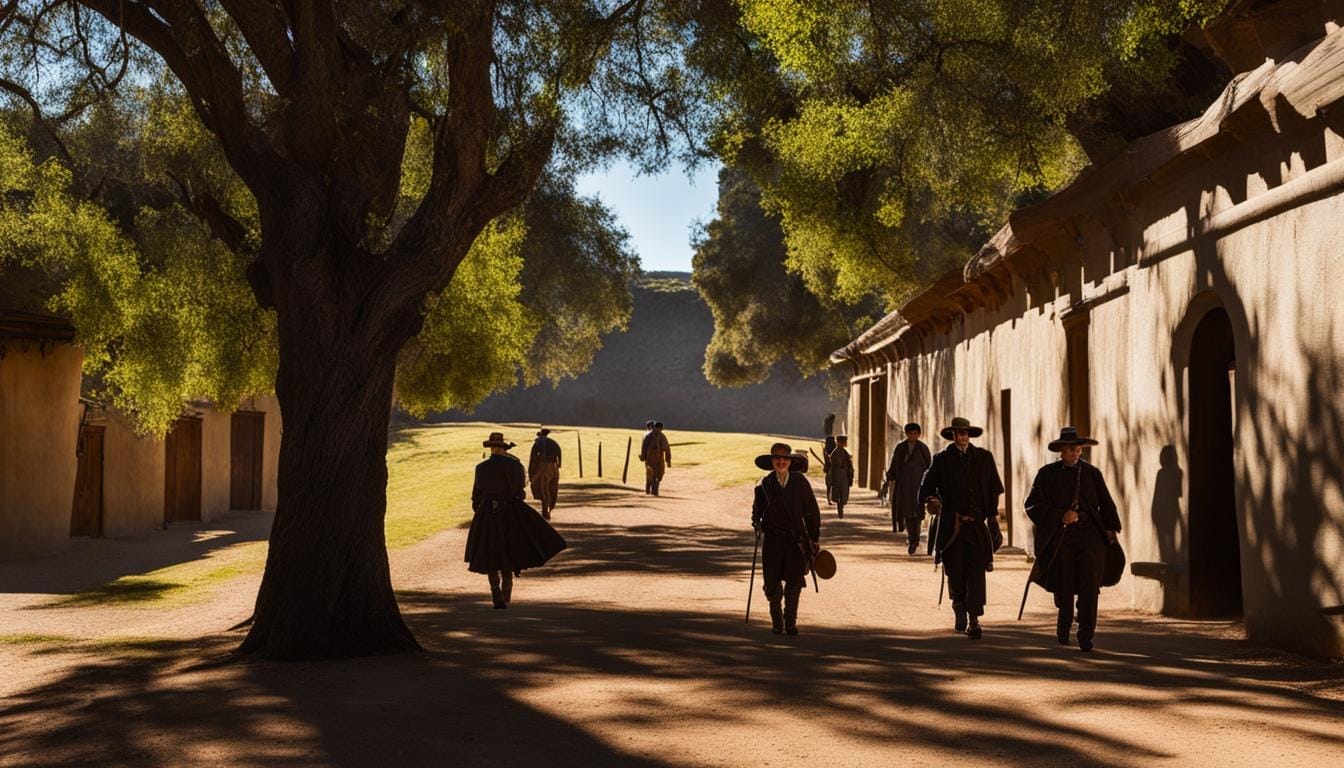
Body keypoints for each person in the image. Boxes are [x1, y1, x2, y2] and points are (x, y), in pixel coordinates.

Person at [1025, 427, 1122, 652]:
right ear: (1061, 450)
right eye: (1071, 450)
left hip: (1090, 537)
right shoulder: (1046, 474)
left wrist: (1111, 528)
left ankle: (1086, 636)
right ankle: (1064, 625)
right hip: (1062, 538)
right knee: (1065, 585)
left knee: (1090, 586)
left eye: (1078, 450)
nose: (1076, 454)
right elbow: (1032, 505)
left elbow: (1106, 503)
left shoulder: (1092, 473)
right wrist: (1060, 515)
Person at [919, 417, 1004, 639]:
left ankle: (974, 619)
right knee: (955, 570)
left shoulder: (984, 459)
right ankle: (958, 604)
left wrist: (993, 520)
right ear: (953, 435)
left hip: (976, 526)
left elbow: (994, 490)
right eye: (958, 433)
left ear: (969, 435)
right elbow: (926, 488)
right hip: (952, 526)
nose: (962, 437)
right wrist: (933, 500)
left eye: (965, 433)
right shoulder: (941, 460)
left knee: (976, 572)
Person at [465, 432, 567, 609]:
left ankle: (495, 591)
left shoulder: (481, 468)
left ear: (491, 447)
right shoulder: (514, 465)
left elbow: (476, 495)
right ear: (504, 447)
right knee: (508, 550)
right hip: (510, 511)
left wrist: (481, 511)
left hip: (488, 511)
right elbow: (520, 492)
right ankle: (506, 591)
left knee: (489, 551)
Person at [750, 442, 822, 635]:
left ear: (790, 461)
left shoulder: (800, 483)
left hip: (796, 540)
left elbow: (812, 512)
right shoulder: (764, 484)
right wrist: (757, 524)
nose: (781, 461)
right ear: (771, 461)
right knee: (772, 583)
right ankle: (776, 621)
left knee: (794, 582)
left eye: (785, 458)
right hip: (773, 540)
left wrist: (814, 538)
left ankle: (790, 622)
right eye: (777, 458)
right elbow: (757, 511)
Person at [885, 422, 932, 555]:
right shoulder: (900, 448)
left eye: (915, 433)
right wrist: (890, 476)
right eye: (910, 433)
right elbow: (895, 464)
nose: (913, 436)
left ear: (919, 434)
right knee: (907, 514)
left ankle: (915, 539)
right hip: (904, 486)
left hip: (918, 487)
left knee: (917, 514)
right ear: (906, 434)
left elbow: (929, 466)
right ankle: (912, 539)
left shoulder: (923, 448)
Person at [528, 427, 563, 520]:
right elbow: (559, 454)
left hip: (543, 466)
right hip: (554, 467)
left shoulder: (538, 443)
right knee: (552, 488)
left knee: (541, 487)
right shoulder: (553, 442)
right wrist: (559, 465)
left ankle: (545, 509)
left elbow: (533, 458)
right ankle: (549, 508)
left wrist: (531, 472)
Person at [640, 420, 671, 495]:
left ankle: (651, 488)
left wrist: (668, 460)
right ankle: (652, 489)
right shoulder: (653, 436)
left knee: (655, 474)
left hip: (654, 459)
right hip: (654, 459)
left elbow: (667, 448)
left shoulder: (659, 436)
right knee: (654, 474)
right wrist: (668, 460)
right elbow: (644, 447)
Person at [827, 434, 854, 518]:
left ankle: (841, 507)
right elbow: (837, 464)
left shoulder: (844, 451)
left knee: (843, 493)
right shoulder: (836, 452)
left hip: (843, 475)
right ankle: (840, 509)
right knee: (839, 493)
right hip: (838, 475)